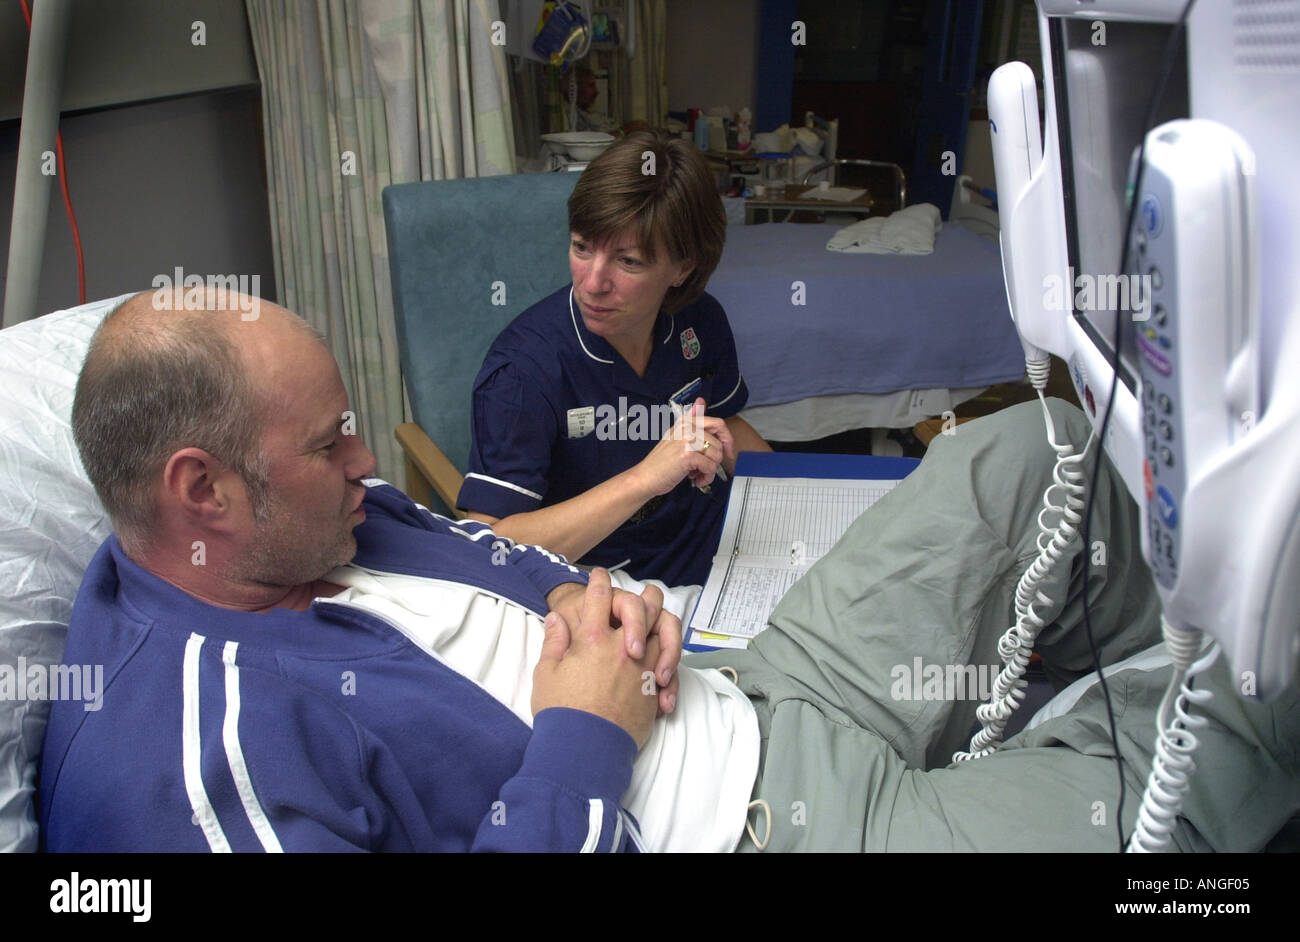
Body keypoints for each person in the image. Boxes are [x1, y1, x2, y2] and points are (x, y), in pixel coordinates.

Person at [40, 292, 1300, 853]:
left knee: (1038, 457)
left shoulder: (302, 527)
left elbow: (490, 564)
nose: (370, 464)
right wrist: (582, 741)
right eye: (331, 444)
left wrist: (594, 605)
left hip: (753, 682)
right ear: (200, 490)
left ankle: (1186, 573)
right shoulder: (182, 776)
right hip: (764, 831)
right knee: (1209, 743)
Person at [455, 129, 771, 589]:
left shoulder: (698, 320)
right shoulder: (524, 370)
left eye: (628, 262)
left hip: (710, 541)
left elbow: (725, 425)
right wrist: (646, 478)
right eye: (582, 247)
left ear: (683, 268)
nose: (592, 283)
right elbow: (493, 547)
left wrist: (799, 505)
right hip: (600, 574)